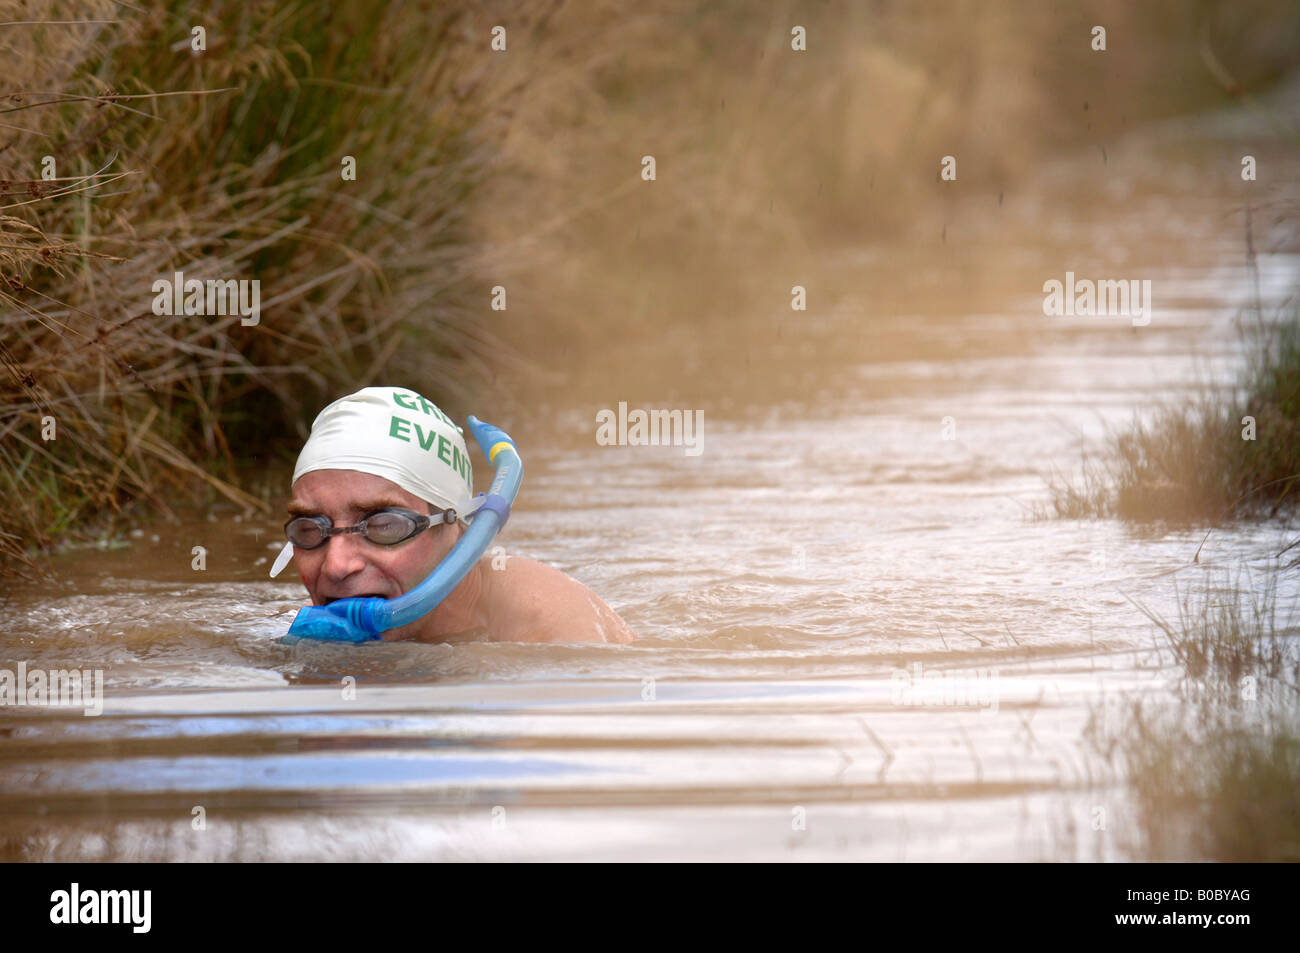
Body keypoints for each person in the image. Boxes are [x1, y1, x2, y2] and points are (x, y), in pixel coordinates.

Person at [272, 386, 634, 644]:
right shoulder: (308, 632)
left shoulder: (548, 624)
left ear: (459, 528)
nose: (336, 566)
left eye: (383, 525)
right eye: (311, 529)